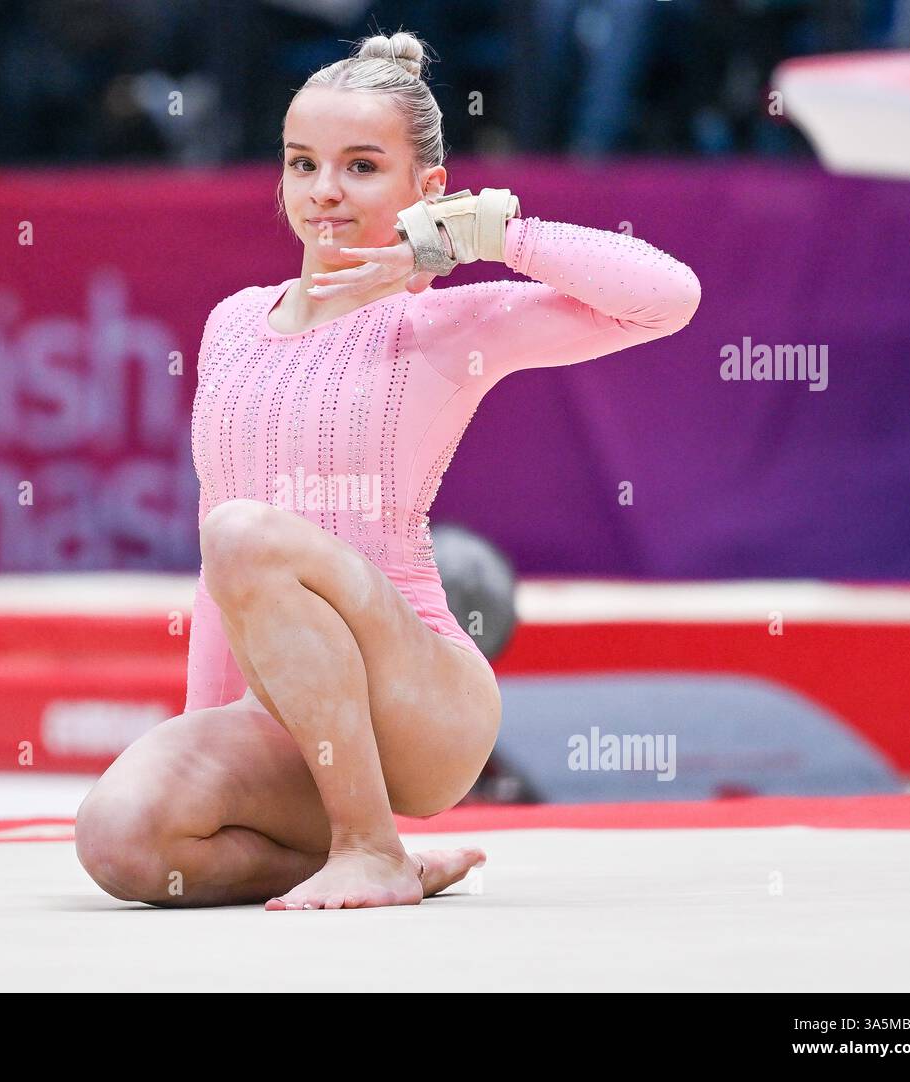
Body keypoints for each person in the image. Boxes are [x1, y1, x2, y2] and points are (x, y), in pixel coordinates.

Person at [75, 28, 701, 911]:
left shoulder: (446, 328)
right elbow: (223, 579)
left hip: (422, 706)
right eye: (302, 163)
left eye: (362, 167)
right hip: (291, 722)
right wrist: (203, 729)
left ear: (426, 190)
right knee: (122, 840)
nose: (324, 191)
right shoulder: (233, 324)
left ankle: (371, 846)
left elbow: (668, 298)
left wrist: (482, 236)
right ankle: (378, 856)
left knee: (244, 531)